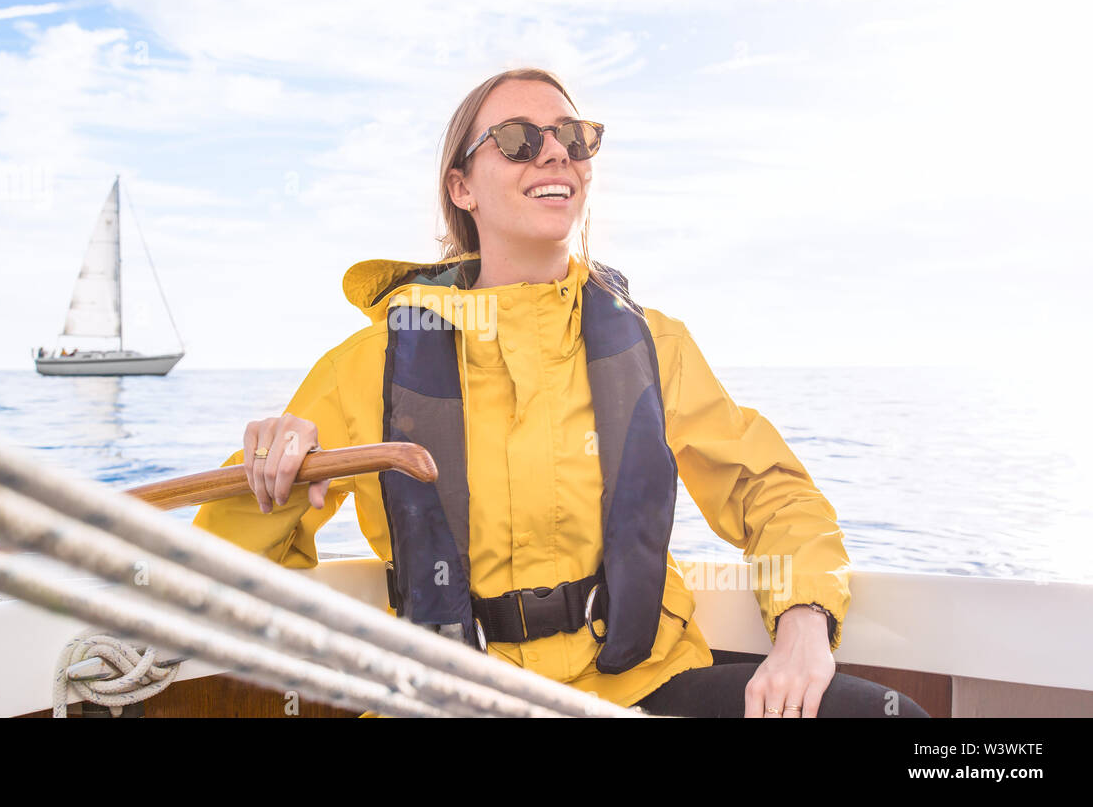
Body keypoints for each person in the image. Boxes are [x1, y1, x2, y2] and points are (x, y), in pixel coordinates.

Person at [193, 68, 929, 718]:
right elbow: (216, 573)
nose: (555, 153)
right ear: (461, 187)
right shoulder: (370, 364)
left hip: (641, 686)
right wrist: (272, 472)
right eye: (517, 139)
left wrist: (803, 624)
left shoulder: (653, 345)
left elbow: (772, 495)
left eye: (574, 137)